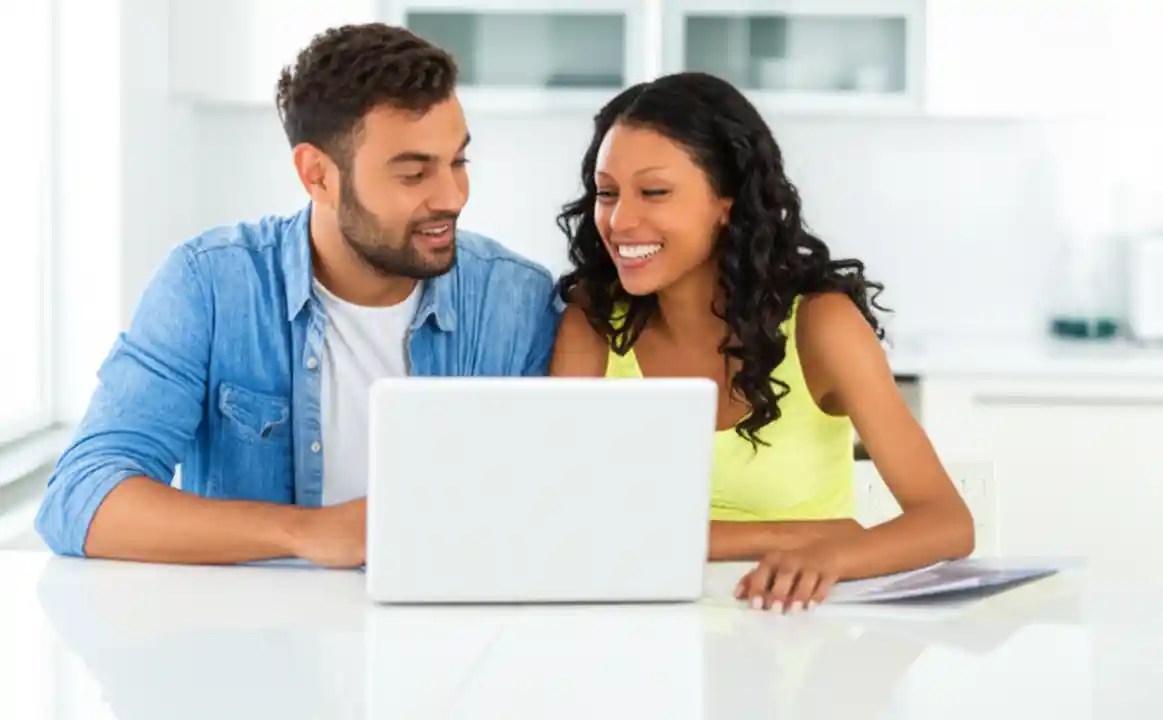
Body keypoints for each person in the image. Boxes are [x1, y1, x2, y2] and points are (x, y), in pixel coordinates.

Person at [35, 24, 560, 566]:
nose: (452, 196)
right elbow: (81, 497)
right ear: (318, 175)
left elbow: (555, 507)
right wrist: (308, 533)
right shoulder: (211, 286)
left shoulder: (515, 301)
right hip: (255, 620)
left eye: (458, 162)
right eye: (413, 173)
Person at [550, 72, 974, 612]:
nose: (619, 219)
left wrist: (835, 556)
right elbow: (564, 522)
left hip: (796, 630)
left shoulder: (821, 327)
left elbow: (947, 522)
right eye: (607, 193)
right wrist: (792, 536)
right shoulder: (593, 327)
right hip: (644, 630)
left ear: (726, 201)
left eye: (654, 192)